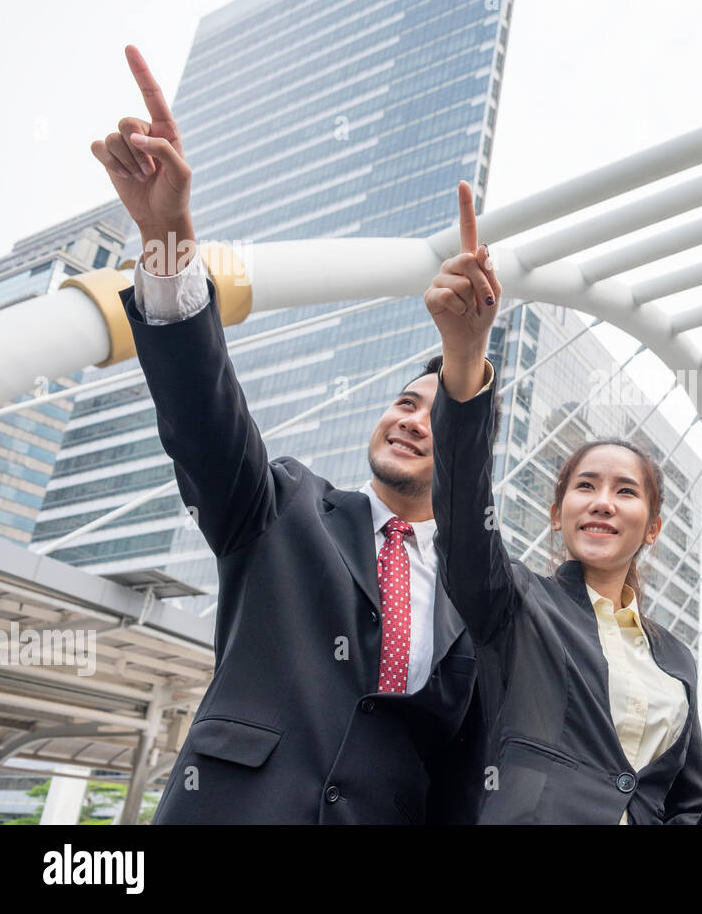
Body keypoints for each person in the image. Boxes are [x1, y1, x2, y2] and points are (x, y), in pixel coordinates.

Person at [88, 45, 486, 823]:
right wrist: (169, 238)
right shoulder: (280, 508)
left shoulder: (482, 594)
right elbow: (203, 416)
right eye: (405, 400)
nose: (411, 416)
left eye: (436, 414)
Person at [425, 192, 702, 824]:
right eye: (585, 487)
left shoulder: (677, 659)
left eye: (626, 491)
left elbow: (686, 805)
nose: (603, 503)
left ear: (654, 527)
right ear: (557, 514)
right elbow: (464, 516)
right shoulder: (516, 605)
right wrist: (466, 357)